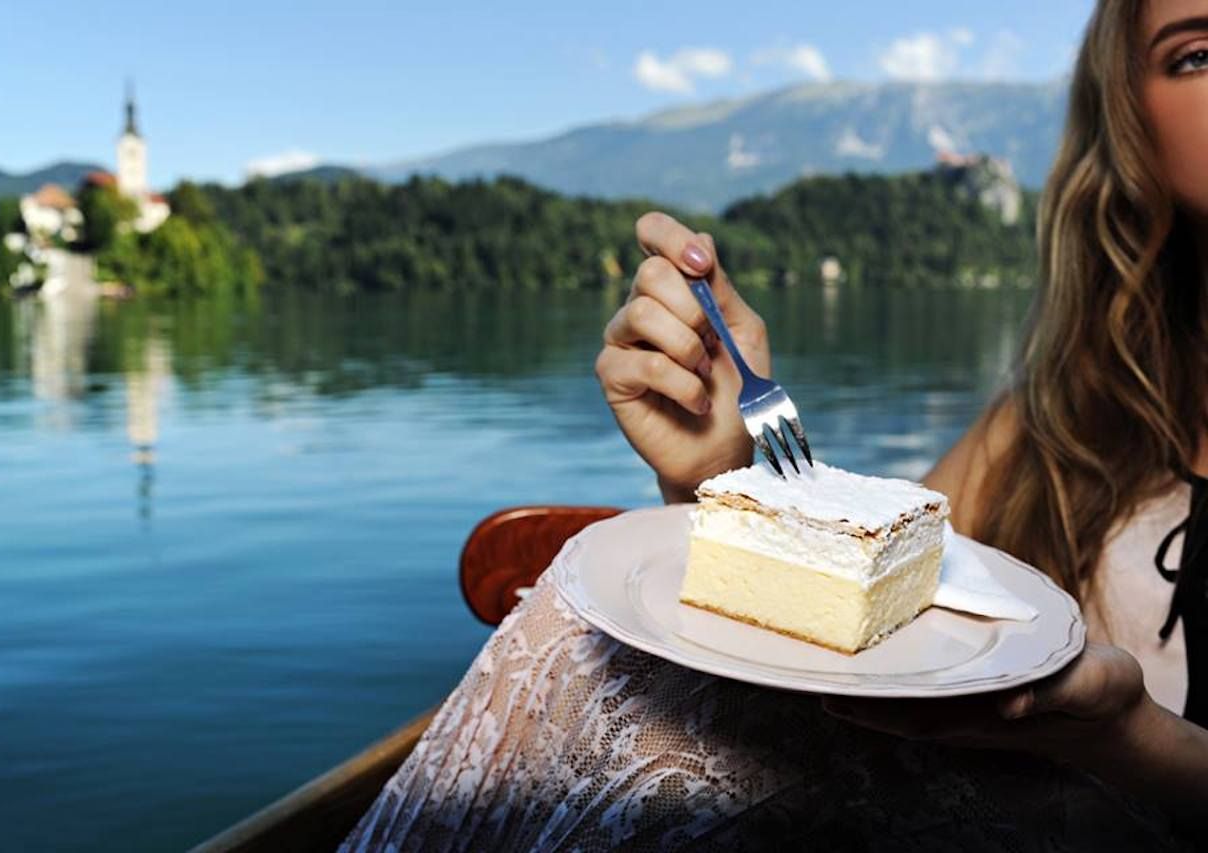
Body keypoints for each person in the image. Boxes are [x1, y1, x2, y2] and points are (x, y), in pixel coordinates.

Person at [343, 1, 1208, 848]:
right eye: (1197, 54)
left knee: (612, 682)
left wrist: (1130, 738)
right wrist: (721, 471)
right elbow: (869, 591)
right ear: (1129, 122)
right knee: (595, 632)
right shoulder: (1067, 414)